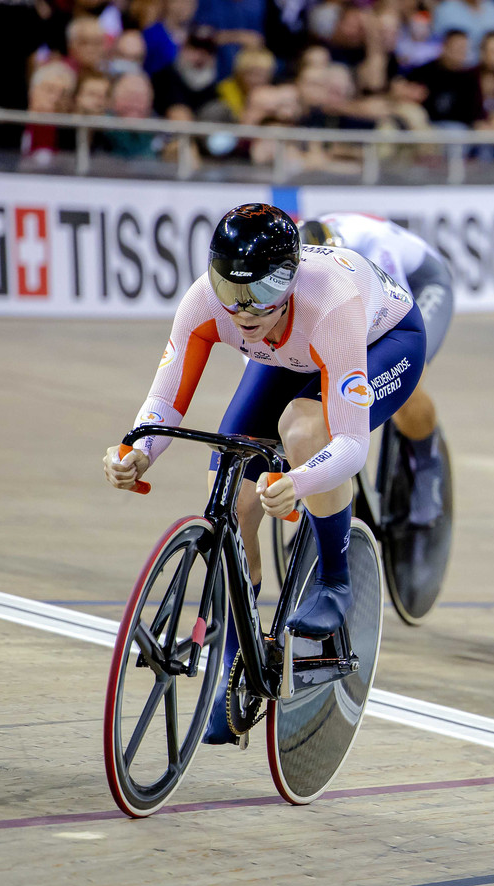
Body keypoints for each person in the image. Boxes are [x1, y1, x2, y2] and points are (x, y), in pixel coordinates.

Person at [102, 204, 426, 743]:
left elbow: (350, 445)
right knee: (230, 497)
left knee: (303, 429)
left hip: (381, 340)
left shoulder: (329, 305)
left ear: (292, 280)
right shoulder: (207, 302)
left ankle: (334, 579)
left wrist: (299, 481)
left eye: (262, 291)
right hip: (288, 354)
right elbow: (165, 402)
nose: (244, 310)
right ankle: (236, 673)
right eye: (230, 291)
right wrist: (137, 451)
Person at [297, 214, 456, 527]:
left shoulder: (375, 245)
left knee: (404, 377)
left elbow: (398, 314)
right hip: (357, 297)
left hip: (419, 287)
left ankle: (426, 462)